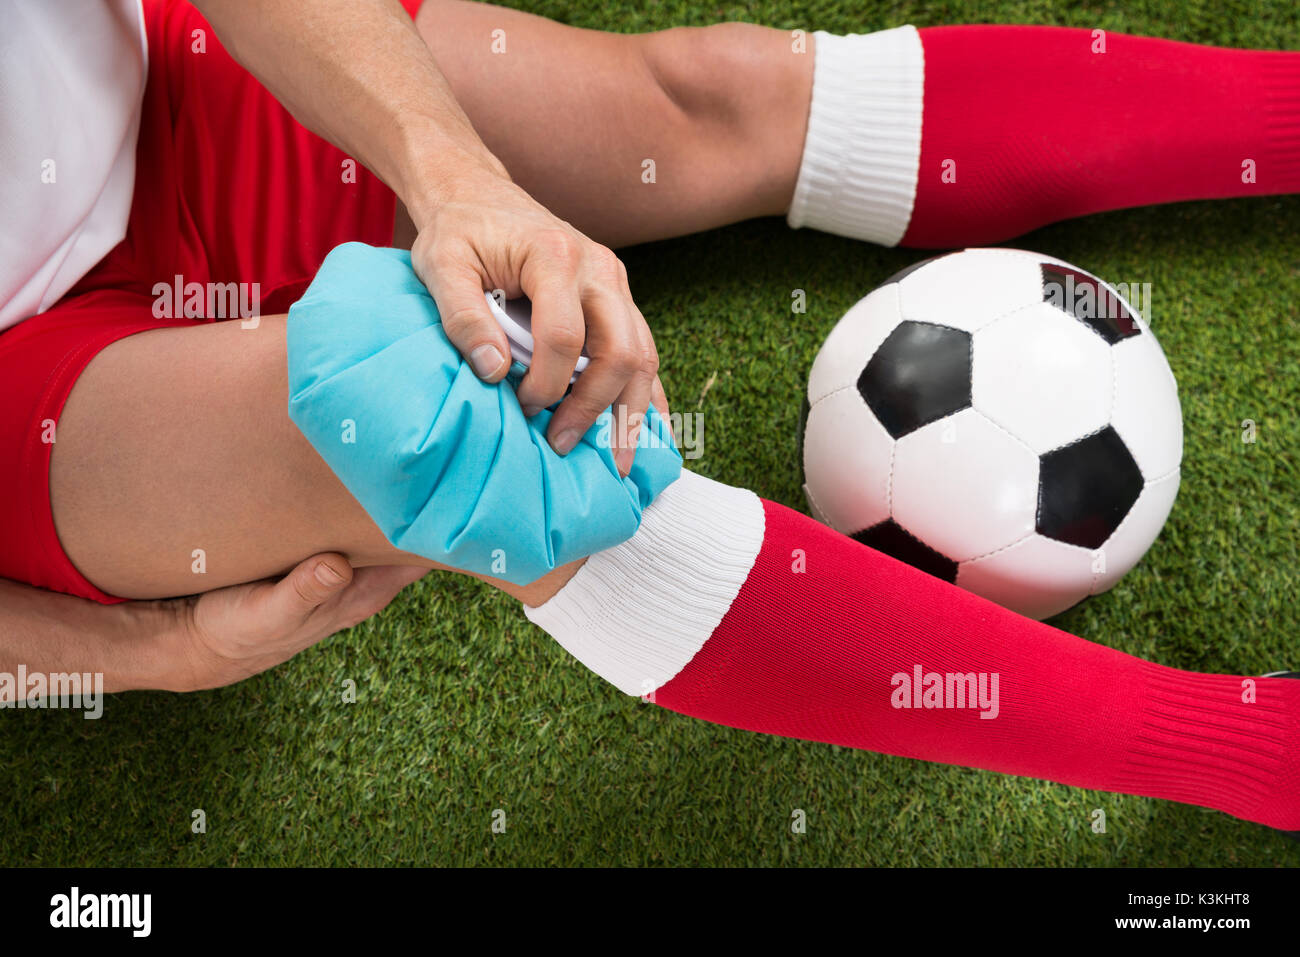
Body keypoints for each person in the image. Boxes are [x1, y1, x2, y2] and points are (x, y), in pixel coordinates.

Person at [2, 0, 1298, 830]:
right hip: (29, 383)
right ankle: (1247, 752)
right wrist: (148, 650)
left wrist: (453, 174)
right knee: (499, 443)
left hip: (165, 79)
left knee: (716, 102)